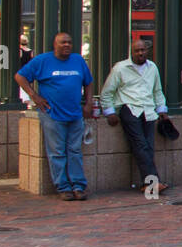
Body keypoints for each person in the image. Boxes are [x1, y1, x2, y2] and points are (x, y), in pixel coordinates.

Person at [14, 31, 93, 201]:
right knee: (57, 152)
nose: (66, 45)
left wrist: (88, 103)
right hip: (52, 115)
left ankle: (78, 186)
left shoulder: (78, 60)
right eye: (63, 42)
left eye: (69, 42)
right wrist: (34, 96)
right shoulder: (42, 61)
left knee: (75, 151)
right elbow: (20, 76)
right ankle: (63, 187)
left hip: (75, 114)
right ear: (55, 45)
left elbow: (88, 82)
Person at [101, 39, 170, 192]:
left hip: (148, 110)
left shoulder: (152, 68)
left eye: (142, 50)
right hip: (129, 109)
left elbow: (157, 91)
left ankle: (147, 184)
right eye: (136, 51)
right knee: (140, 144)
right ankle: (153, 183)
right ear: (131, 52)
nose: (140, 53)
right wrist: (109, 112)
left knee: (148, 147)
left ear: (147, 51)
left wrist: (162, 110)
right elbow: (107, 92)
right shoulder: (120, 68)